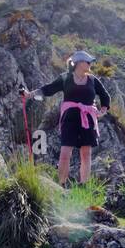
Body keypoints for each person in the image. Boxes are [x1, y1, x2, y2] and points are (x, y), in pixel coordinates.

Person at [19, 51, 111, 185]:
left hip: (87, 119)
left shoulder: (93, 80)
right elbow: (48, 89)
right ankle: (61, 184)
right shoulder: (65, 78)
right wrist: (29, 95)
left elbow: (105, 96)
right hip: (69, 120)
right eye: (88, 61)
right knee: (65, 153)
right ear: (79, 63)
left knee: (86, 154)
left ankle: (83, 184)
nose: (91, 64)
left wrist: (102, 111)